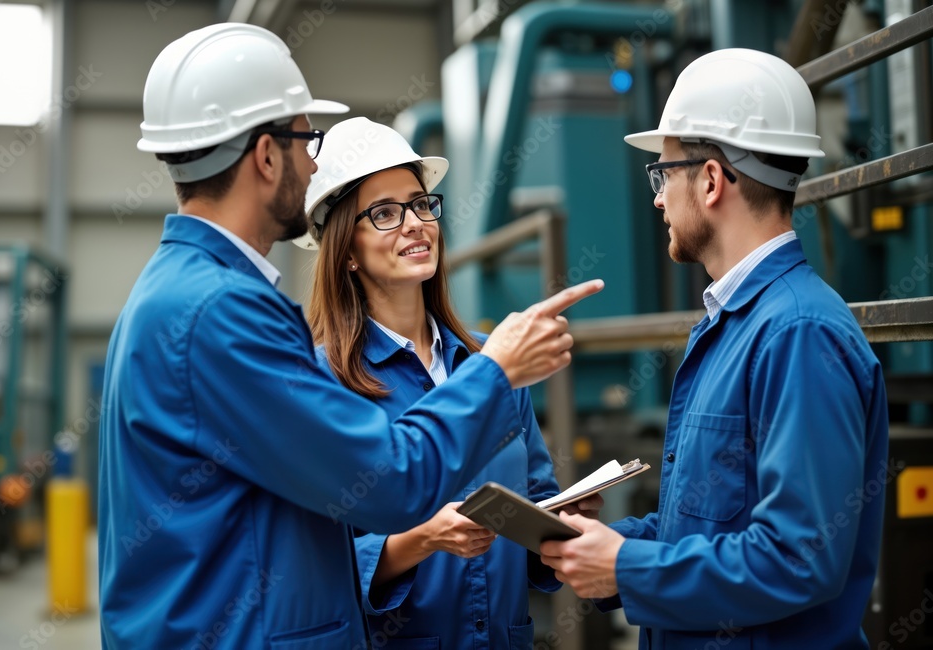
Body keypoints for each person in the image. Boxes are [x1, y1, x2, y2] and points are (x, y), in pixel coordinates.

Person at [98, 23, 603, 650]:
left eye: (421, 205)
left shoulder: (185, 295)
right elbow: (392, 478)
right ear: (265, 155)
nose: (311, 161)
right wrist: (495, 371)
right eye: (305, 141)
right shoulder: (223, 313)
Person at [540, 48, 889, 649]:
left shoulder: (798, 333)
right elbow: (707, 525)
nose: (656, 199)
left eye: (663, 174)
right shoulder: (736, 324)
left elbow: (798, 557)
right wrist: (601, 546)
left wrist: (626, 567)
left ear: (709, 180)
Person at [299, 116, 599, 648]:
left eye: (420, 204)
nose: (415, 223)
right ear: (346, 250)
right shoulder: (323, 381)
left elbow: (536, 517)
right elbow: (313, 566)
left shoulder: (492, 361)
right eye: (386, 213)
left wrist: (559, 524)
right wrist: (421, 541)